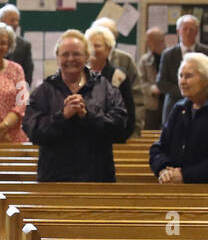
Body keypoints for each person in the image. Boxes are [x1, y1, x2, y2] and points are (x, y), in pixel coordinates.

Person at [23, 30, 133, 182]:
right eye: (65, 54)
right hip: (54, 178)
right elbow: (33, 132)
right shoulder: (44, 90)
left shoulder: (104, 87)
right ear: (57, 57)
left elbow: (120, 127)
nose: (70, 59)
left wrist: (87, 115)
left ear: (87, 56)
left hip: (98, 177)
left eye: (76, 54)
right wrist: (62, 116)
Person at [149, 52, 208, 184]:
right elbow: (158, 148)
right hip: (174, 189)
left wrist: (185, 176)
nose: (182, 81)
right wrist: (164, 170)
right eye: (180, 76)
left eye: (189, 76)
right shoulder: (179, 108)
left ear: (206, 79)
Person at [156, 14, 208, 120]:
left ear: (197, 32)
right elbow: (162, 83)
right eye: (185, 29)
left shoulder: (207, 53)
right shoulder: (168, 54)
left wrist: (197, 92)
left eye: (192, 30)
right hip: (173, 107)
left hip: (202, 107)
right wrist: (187, 90)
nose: (188, 33)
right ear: (178, 31)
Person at [91, 16, 143, 121]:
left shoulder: (125, 59)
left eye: (106, 34)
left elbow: (137, 97)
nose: (101, 37)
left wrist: (135, 128)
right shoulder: (82, 62)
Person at [86, 24, 136, 131]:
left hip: (111, 136)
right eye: (89, 45)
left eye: (97, 45)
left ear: (108, 49)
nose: (93, 50)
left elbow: (129, 114)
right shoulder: (78, 74)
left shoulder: (119, 76)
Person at [0, 4, 34, 85]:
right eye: (12, 20)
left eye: (17, 20)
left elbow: (28, 75)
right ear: (0, 20)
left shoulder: (24, 45)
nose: (15, 23)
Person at [138, 27, 166, 131]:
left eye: (150, 40)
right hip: (152, 105)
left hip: (168, 103)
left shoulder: (169, 56)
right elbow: (140, 82)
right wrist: (151, 88)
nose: (148, 43)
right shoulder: (145, 60)